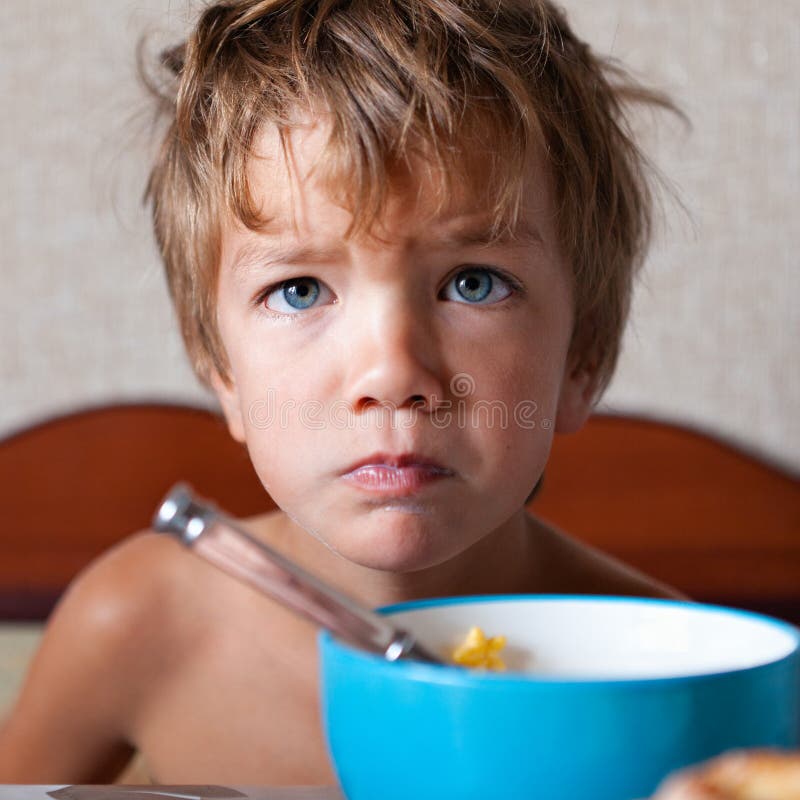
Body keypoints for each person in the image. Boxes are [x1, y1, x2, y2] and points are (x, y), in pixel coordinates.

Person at [0, 0, 687, 784]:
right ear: (221, 368)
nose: (392, 375)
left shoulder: (676, 671)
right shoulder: (138, 622)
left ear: (582, 358)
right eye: (299, 290)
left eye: (474, 283)